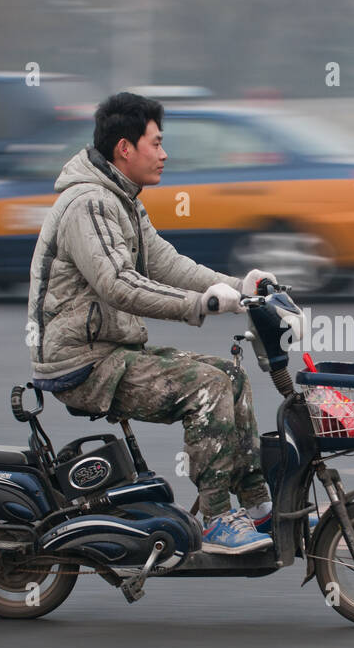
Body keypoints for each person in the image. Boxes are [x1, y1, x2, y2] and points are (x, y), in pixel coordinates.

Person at [26, 92, 278, 555]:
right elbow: (118, 284)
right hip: (84, 361)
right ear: (126, 148)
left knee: (232, 375)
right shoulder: (90, 204)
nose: (164, 154)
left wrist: (239, 288)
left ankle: (260, 506)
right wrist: (201, 304)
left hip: (111, 351)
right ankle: (219, 519)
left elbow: (165, 263)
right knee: (208, 386)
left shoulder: (122, 199)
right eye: (156, 143)